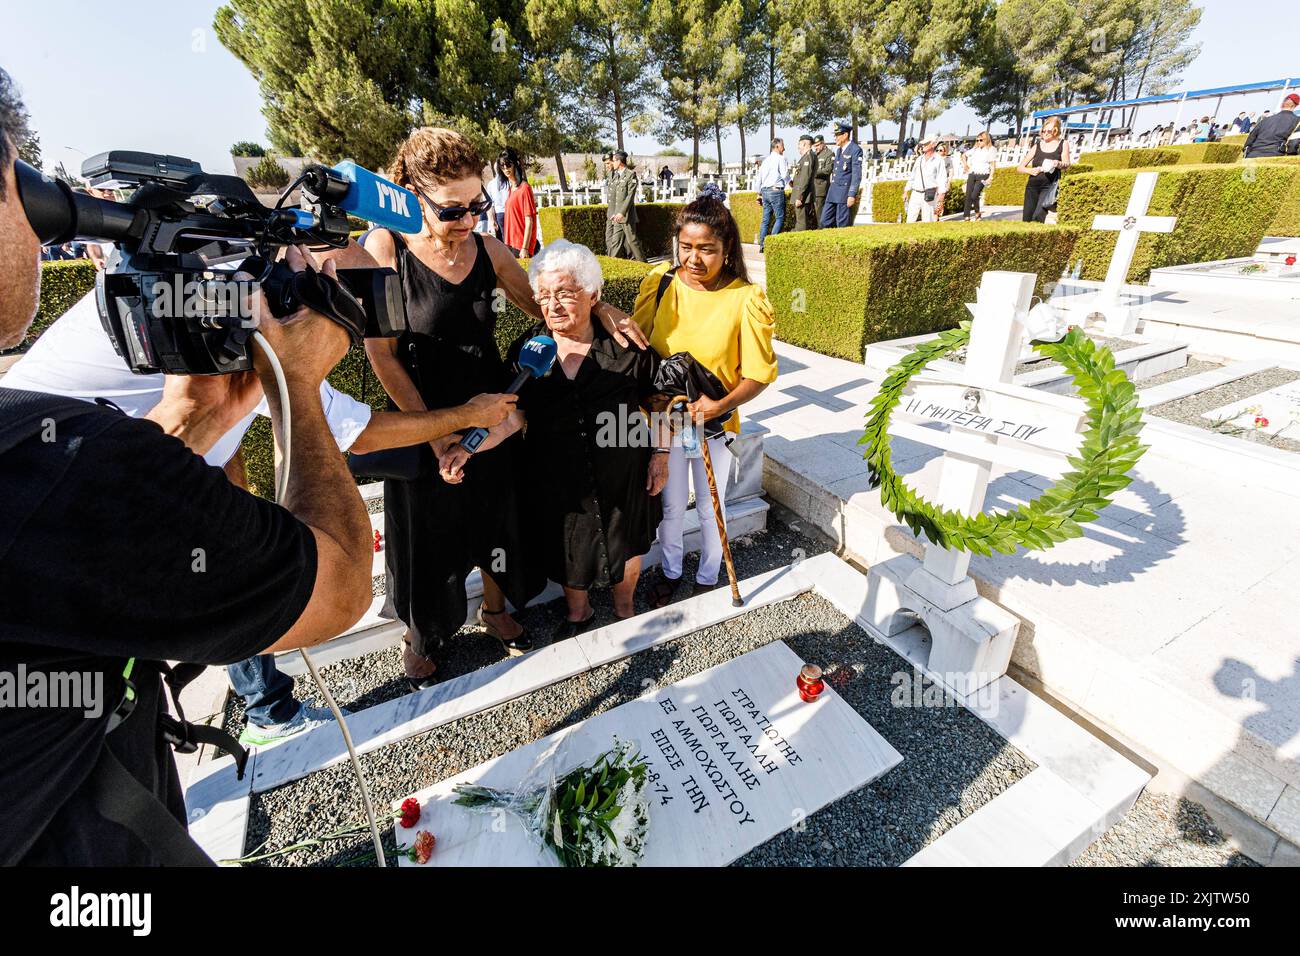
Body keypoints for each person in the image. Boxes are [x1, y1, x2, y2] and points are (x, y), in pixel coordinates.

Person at [0, 68, 374, 864]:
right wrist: (298, 388)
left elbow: (83, 544)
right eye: (13, 173)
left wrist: (189, 419)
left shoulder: (44, 462)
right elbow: (340, 584)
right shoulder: (56, 464)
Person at [3, 283, 517, 741]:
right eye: (350, 284)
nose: (359, 304)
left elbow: (188, 429)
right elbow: (341, 579)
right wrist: (468, 416)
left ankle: (261, 700)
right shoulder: (249, 313)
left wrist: (207, 435)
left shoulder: (205, 296)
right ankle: (266, 708)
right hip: (72, 522)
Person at [364, 127, 646, 686]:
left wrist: (605, 306)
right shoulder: (385, 247)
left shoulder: (489, 249)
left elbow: (547, 302)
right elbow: (383, 356)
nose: (468, 220)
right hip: (419, 411)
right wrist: (435, 434)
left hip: (493, 406)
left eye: (478, 205)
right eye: (452, 210)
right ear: (412, 193)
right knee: (427, 528)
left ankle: (496, 613)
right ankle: (422, 636)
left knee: (494, 517)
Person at [440, 240, 669, 639]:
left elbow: (663, 402)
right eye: (544, 296)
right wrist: (466, 448)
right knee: (569, 548)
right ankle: (577, 614)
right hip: (556, 477)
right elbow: (509, 418)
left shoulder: (626, 345)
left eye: (564, 293)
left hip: (623, 473)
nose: (553, 305)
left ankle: (624, 607)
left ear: (593, 295)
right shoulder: (527, 350)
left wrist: (662, 454)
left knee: (628, 543)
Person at [632, 191, 777, 606]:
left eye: (707, 249)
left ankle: (711, 571)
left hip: (714, 423)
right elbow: (638, 350)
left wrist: (720, 405)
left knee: (713, 508)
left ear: (726, 247)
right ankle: (673, 570)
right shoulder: (659, 285)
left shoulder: (746, 299)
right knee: (672, 504)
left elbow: (758, 374)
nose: (694, 259)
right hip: (664, 421)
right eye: (686, 247)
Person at [1018, 116, 1071, 223]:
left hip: (1049, 186)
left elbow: (1067, 164)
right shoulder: (1037, 146)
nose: (1046, 133)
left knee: (1038, 216)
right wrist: (1030, 171)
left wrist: (1058, 163)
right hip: (1032, 186)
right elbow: (1020, 168)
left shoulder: (1063, 144)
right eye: (1043, 131)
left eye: (1049, 131)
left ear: (1056, 131)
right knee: (1027, 219)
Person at [820, 121, 863, 228]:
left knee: (842, 224)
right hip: (833, 192)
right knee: (825, 221)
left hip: (844, 194)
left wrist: (852, 194)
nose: (835, 138)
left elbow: (856, 174)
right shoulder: (839, 150)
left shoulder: (855, 150)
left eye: (837, 135)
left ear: (845, 135)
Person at [605, 150, 645, 261]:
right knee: (615, 241)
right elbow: (617, 198)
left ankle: (644, 263)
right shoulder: (617, 176)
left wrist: (621, 212)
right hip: (617, 216)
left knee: (632, 241)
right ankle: (611, 264)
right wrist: (615, 213)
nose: (612, 163)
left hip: (626, 216)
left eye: (614, 161)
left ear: (620, 161)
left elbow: (629, 197)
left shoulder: (630, 175)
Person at [499, 147, 538, 257]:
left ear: (515, 164)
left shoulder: (524, 188)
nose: (506, 168)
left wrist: (524, 248)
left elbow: (529, 220)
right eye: (502, 166)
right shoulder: (510, 189)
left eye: (508, 165)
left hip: (520, 246)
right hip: (510, 244)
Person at [903, 135, 949, 223]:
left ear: (932, 144)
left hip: (929, 195)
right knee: (909, 220)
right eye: (923, 144)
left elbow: (942, 179)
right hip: (915, 193)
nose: (923, 145)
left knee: (928, 221)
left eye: (926, 143)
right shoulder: (919, 159)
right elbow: (913, 176)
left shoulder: (938, 160)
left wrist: (941, 196)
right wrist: (906, 190)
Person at [755, 138, 789, 252]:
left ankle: (762, 245)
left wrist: (758, 194)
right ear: (778, 146)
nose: (784, 148)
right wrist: (793, 184)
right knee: (779, 217)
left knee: (766, 220)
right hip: (776, 190)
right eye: (783, 146)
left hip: (765, 191)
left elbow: (759, 179)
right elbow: (785, 175)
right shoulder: (781, 158)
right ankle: (772, 244)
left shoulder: (766, 160)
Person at [961, 131, 996, 221]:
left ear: (986, 140)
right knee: (968, 195)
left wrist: (990, 177)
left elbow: (992, 165)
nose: (979, 142)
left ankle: (977, 212)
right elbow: (963, 155)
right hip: (972, 174)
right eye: (977, 140)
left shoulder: (991, 149)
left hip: (983, 175)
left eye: (981, 140)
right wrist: (965, 165)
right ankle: (967, 216)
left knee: (974, 195)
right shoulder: (975, 149)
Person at [790, 134, 818, 231]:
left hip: (803, 197)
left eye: (799, 145)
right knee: (803, 221)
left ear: (805, 144)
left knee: (801, 224)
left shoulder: (808, 157)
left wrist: (799, 197)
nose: (798, 147)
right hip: (803, 195)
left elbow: (805, 178)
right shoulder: (808, 156)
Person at [485, 157, 511, 239]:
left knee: (501, 239)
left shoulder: (490, 184)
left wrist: (491, 220)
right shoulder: (509, 181)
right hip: (509, 213)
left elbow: (490, 205)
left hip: (499, 214)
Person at [812, 133, 833, 225]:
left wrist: (814, 172)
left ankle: (821, 230)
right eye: (815, 146)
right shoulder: (815, 154)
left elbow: (828, 170)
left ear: (823, 143)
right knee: (813, 214)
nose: (816, 147)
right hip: (813, 188)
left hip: (821, 189)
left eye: (818, 145)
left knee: (820, 213)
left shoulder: (829, 154)